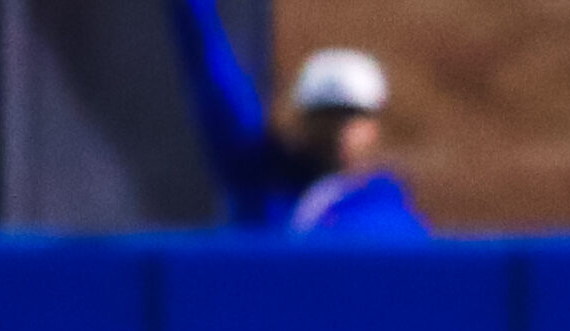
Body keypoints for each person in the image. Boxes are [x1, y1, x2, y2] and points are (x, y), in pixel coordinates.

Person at [163, 0, 428, 237]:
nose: (338, 129)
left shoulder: (387, 211)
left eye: (352, 114)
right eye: (326, 114)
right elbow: (212, 74)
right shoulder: (261, 177)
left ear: (374, 127)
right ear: (302, 120)